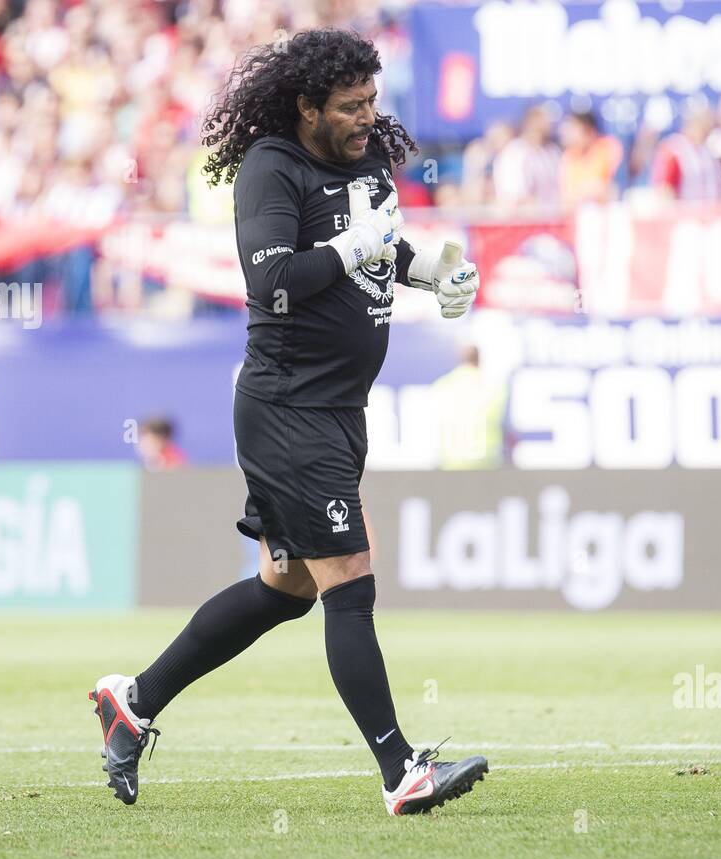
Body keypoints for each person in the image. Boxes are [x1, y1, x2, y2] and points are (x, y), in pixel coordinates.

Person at [89, 28, 488, 817]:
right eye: (350, 105)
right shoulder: (271, 168)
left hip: (338, 410)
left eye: (373, 101)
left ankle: (133, 699)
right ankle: (399, 768)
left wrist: (428, 268)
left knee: (287, 586)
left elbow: (378, 248)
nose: (367, 116)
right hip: (287, 408)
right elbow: (272, 282)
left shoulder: (368, 156)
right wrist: (350, 248)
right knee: (350, 582)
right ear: (307, 107)